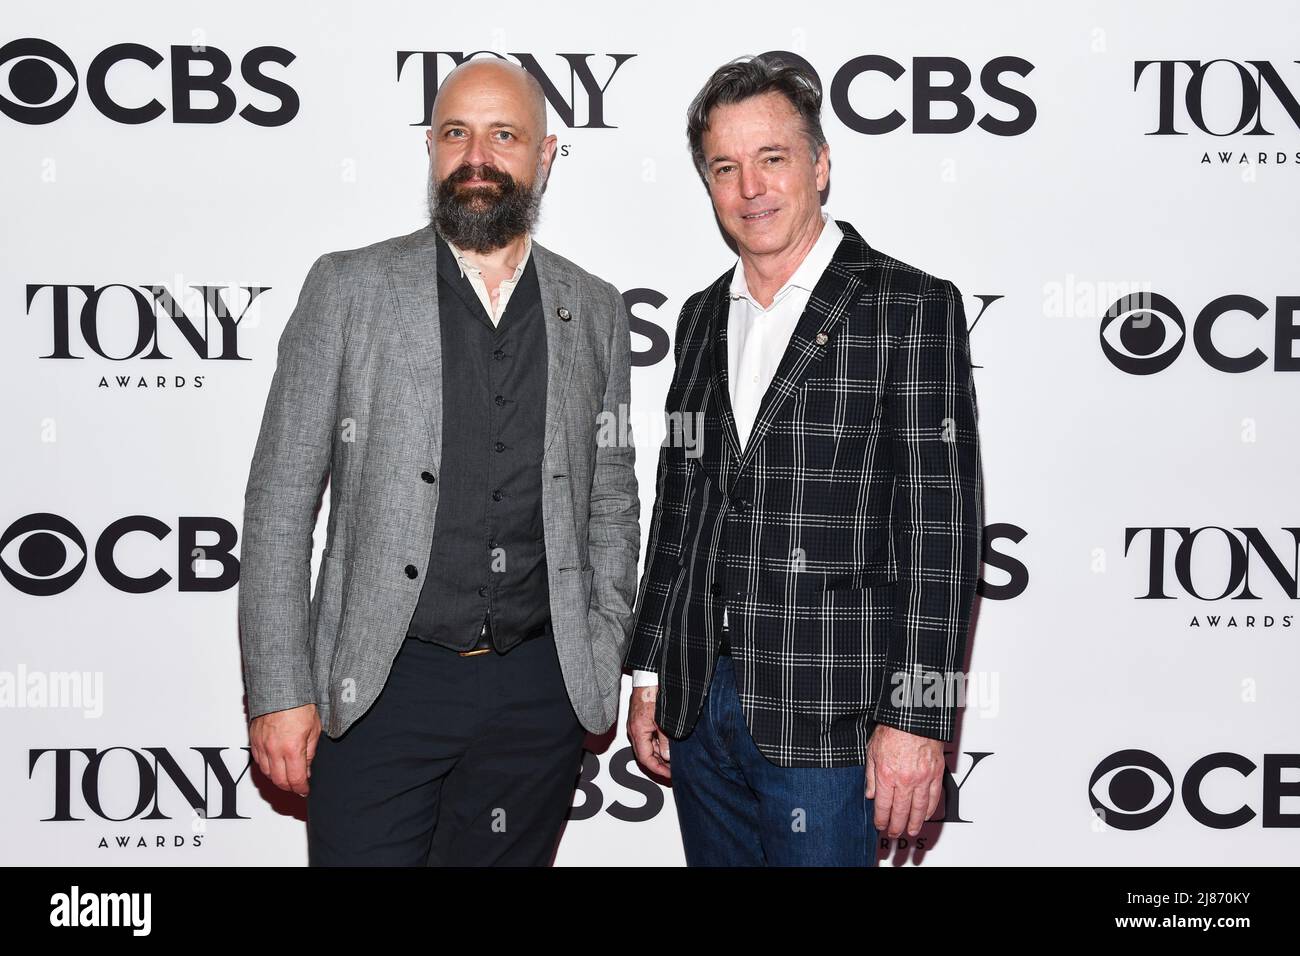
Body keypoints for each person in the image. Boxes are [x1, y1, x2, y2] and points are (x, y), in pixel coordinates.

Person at [239, 58, 639, 866]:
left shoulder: (592, 306)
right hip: (382, 687)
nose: (477, 156)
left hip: (537, 695)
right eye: (456, 133)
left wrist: (597, 646)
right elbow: (280, 502)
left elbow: (610, 500)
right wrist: (281, 689)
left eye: (504, 135)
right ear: (431, 146)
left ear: (546, 154)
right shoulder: (348, 289)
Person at [625, 55, 984, 866]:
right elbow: (680, 505)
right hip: (700, 707)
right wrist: (650, 670)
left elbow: (944, 529)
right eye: (726, 167)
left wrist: (920, 718)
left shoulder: (909, 306)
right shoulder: (697, 317)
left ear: (820, 166)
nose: (751, 187)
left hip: (834, 712)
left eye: (773, 158)